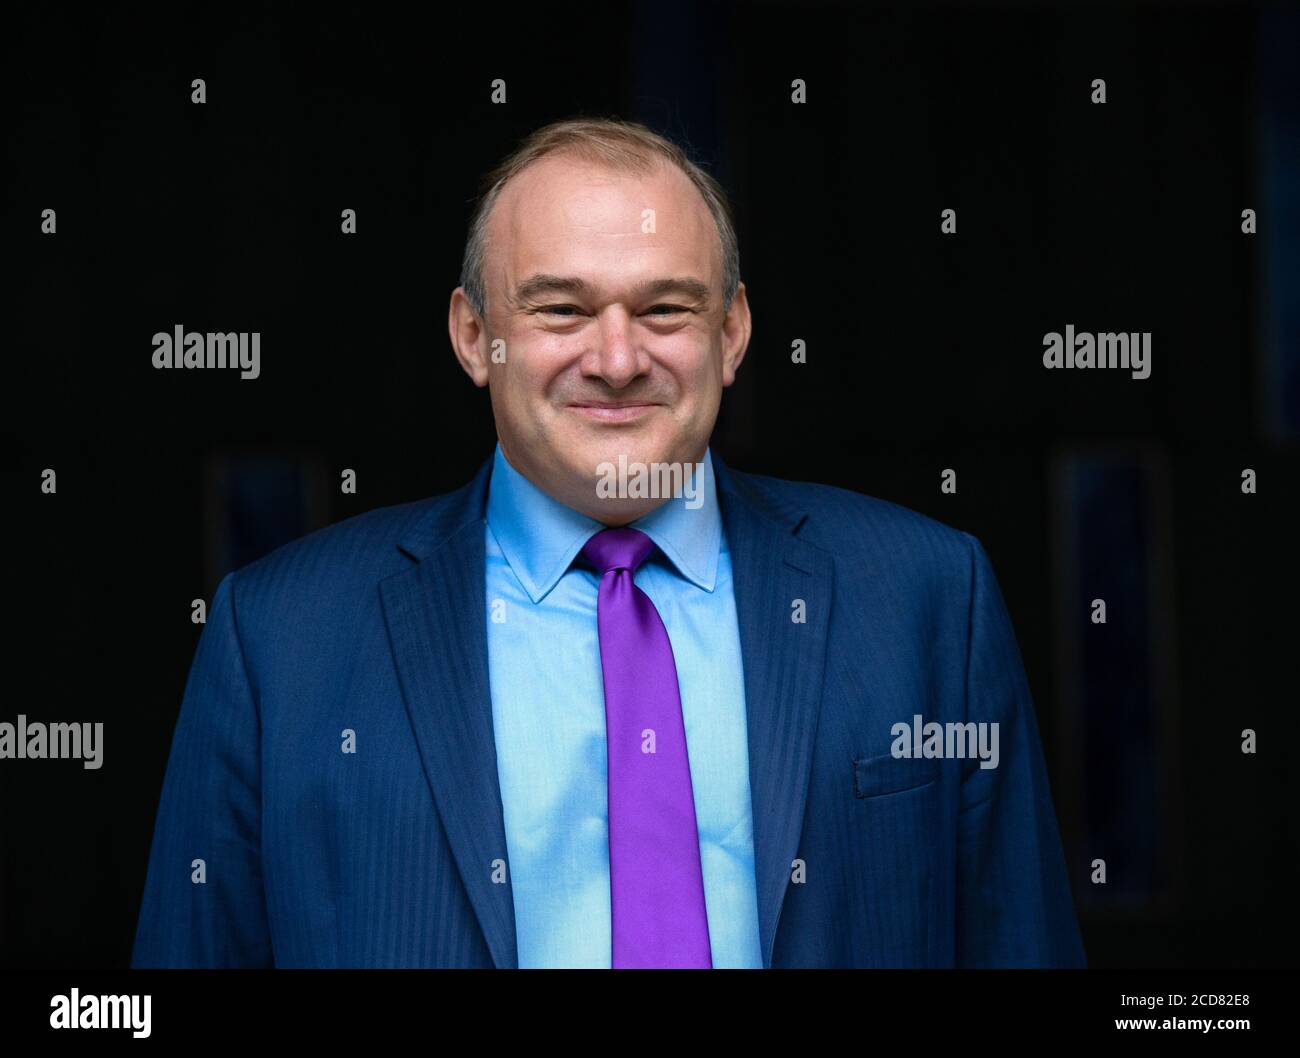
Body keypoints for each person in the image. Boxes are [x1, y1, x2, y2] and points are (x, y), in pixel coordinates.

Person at [131, 117, 1086, 968]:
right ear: (474, 336)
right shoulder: (281, 637)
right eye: (561, 310)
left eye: (665, 308)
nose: (619, 358)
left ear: (734, 332)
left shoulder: (926, 594)